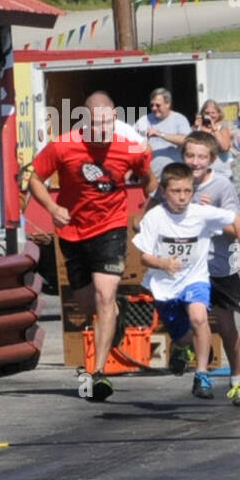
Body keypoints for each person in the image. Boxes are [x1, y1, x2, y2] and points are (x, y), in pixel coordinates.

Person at [27, 91, 155, 402]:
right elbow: (34, 178)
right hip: (72, 232)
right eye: (96, 124)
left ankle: (97, 372)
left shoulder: (130, 148)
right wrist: (53, 209)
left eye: (108, 124)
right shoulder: (63, 145)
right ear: (85, 121)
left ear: (115, 120)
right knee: (86, 307)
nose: (102, 131)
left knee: (104, 294)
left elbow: (151, 180)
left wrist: (144, 210)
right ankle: (116, 314)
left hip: (110, 229)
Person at [142, 131, 240, 405]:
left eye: (201, 157)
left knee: (226, 327)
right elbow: (147, 217)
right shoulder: (173, 186)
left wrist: (204, 217)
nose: (195, 161)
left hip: (217, 267)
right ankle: (186, 351)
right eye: (190, 156)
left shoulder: (220, 187)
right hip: (182, 270)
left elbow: (234, 227)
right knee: (187, 326)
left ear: (212, 159)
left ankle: (237, 379)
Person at [134, 87, 191, 179]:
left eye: (158, 105)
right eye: (152, 105)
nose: (154, 108)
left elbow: (187, 141)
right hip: (152, 177)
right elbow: (132, 145)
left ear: (168, 104)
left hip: (175, 176)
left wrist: (160, 134)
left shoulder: (179, 119)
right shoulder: (143, 120)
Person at [191, 99, 234, 177]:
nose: (210, 115)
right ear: (202, 114)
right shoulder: (198, 128)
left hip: (221, 174)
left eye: (213, 113)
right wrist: (195, 127)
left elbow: (225, 147)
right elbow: (189, 145)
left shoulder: (223, 128)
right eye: (207, 113)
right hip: (202, 174)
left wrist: (214, 128)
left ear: (218, 114)